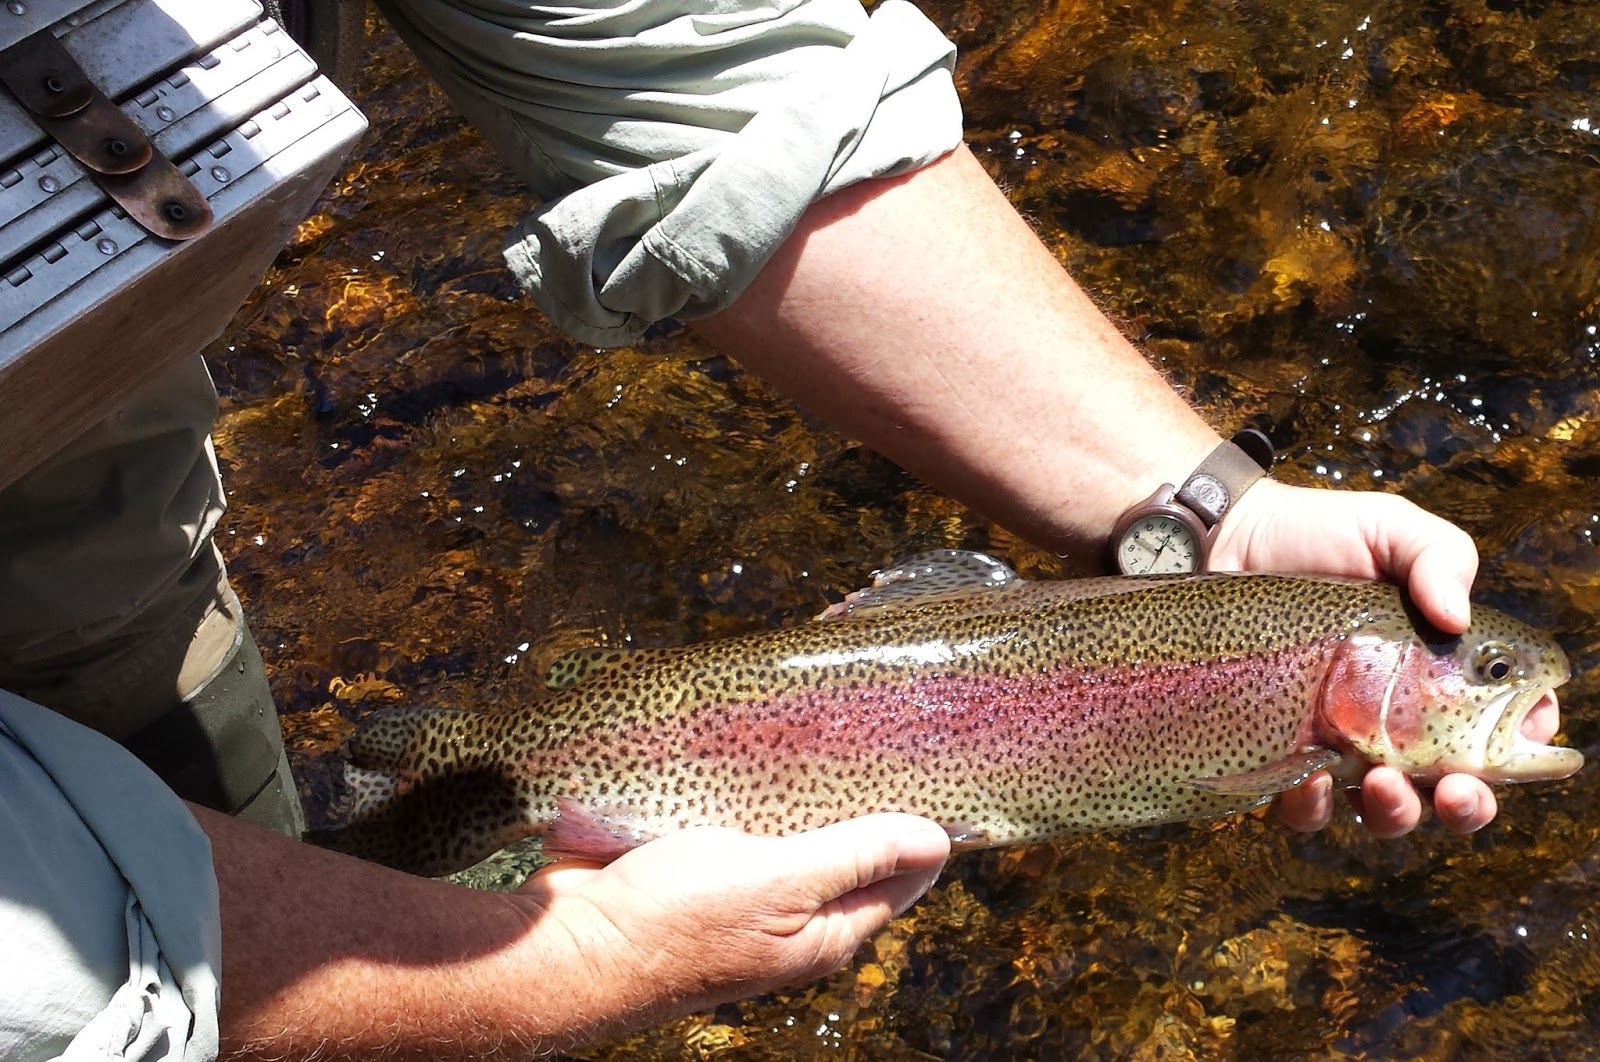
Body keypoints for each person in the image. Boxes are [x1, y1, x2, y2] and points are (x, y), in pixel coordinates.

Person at [0, 0, 1561, 1059]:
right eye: (1481, 669)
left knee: (274, 839)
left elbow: (690, 58)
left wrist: (1209, 506)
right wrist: (578, 966)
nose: (1498, 686)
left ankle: (381, 814)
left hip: (75, 379)